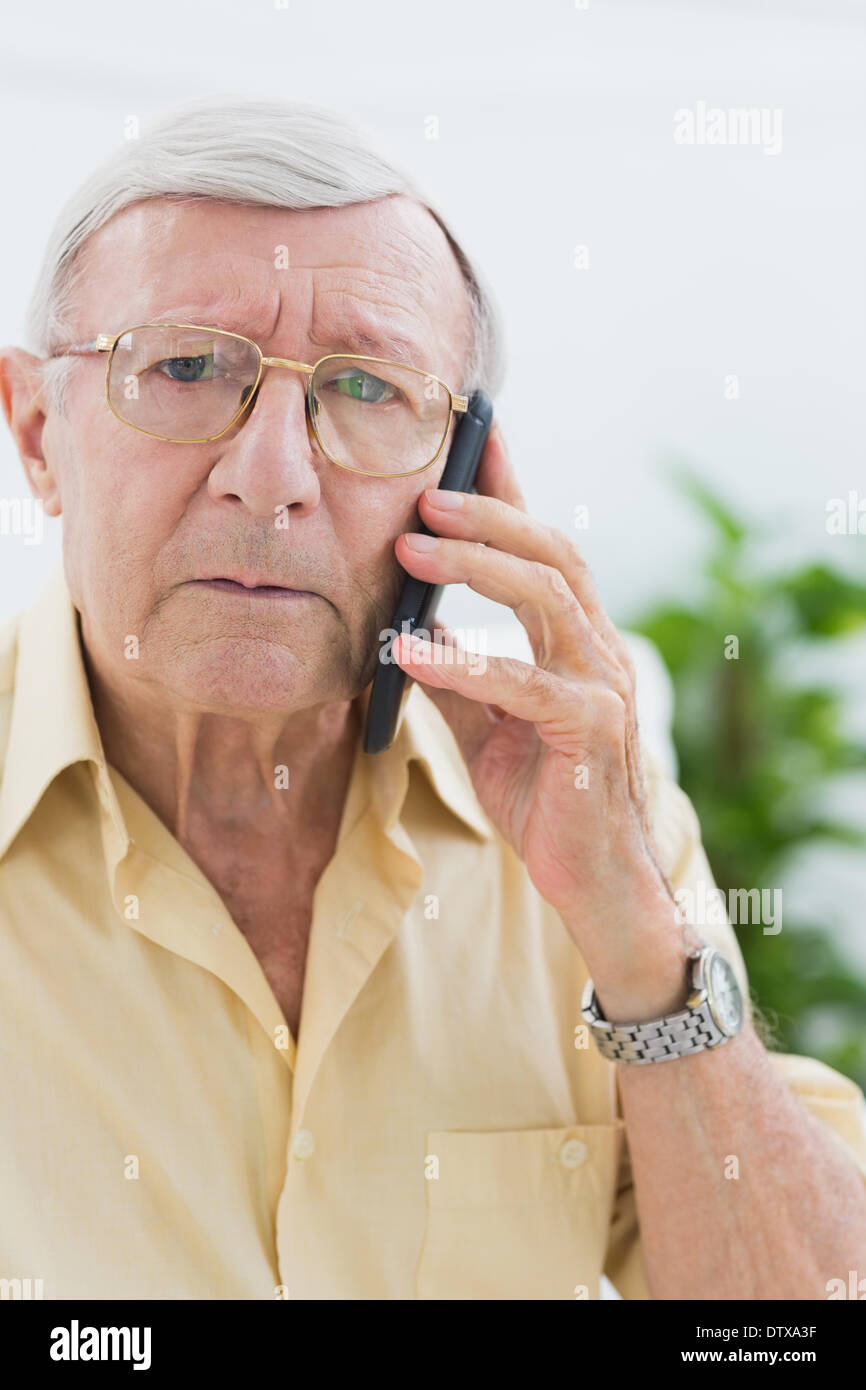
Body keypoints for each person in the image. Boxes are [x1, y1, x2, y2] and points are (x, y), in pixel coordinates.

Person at [0, 96, 864, 1302]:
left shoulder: (582, 807)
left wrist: (627, 921)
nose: (273, 477)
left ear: (462, 476)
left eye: (365, 390)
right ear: (39, 429)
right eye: (186, 366)